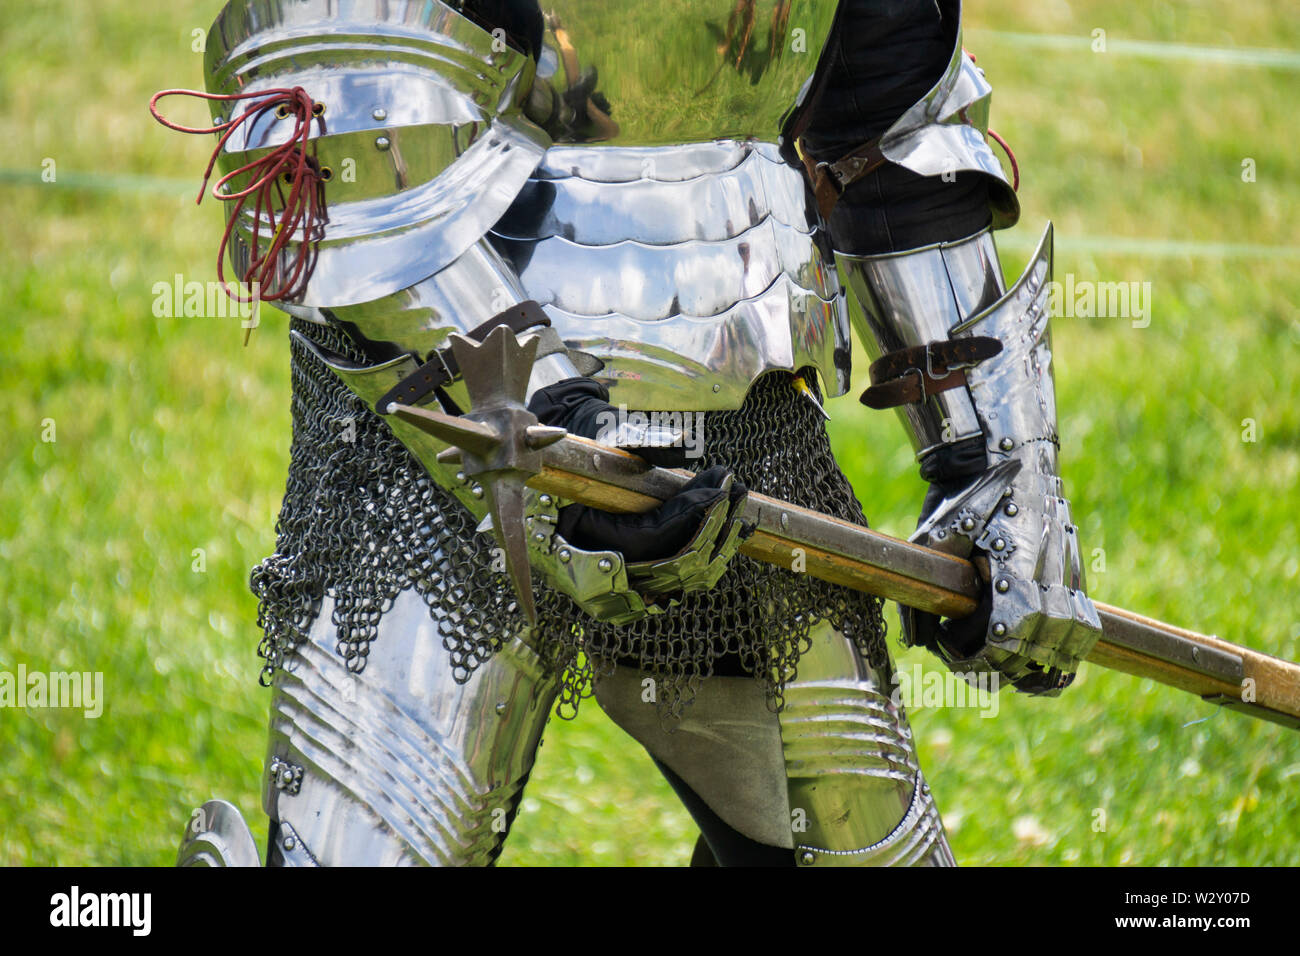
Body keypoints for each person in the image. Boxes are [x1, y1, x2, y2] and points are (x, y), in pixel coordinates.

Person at [166, 0, 1099, 868]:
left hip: (747, 407)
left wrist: (998, 464)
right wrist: (556, 428)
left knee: (853, 845)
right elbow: (345, 110)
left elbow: (892, 131)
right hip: (443, 417)